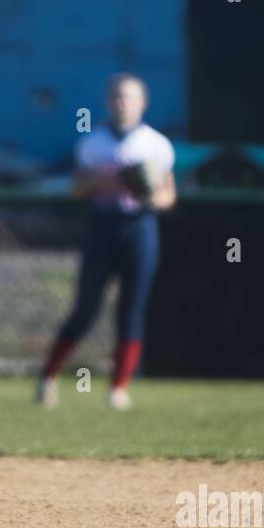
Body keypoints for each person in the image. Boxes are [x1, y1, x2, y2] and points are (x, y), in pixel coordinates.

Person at [36, 73, 176, 410]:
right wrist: (106, 177)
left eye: (129, 97)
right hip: (103, 226)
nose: (122, 103)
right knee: (86, 307)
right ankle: (49, 376)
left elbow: (168, 195)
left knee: (132, 310)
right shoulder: (93, 143)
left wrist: (148, 194)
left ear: (142, 103)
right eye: (117, 97)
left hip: (139, 226)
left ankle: (118, 389)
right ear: (108, 102)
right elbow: (76, 189)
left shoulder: (155, 145)